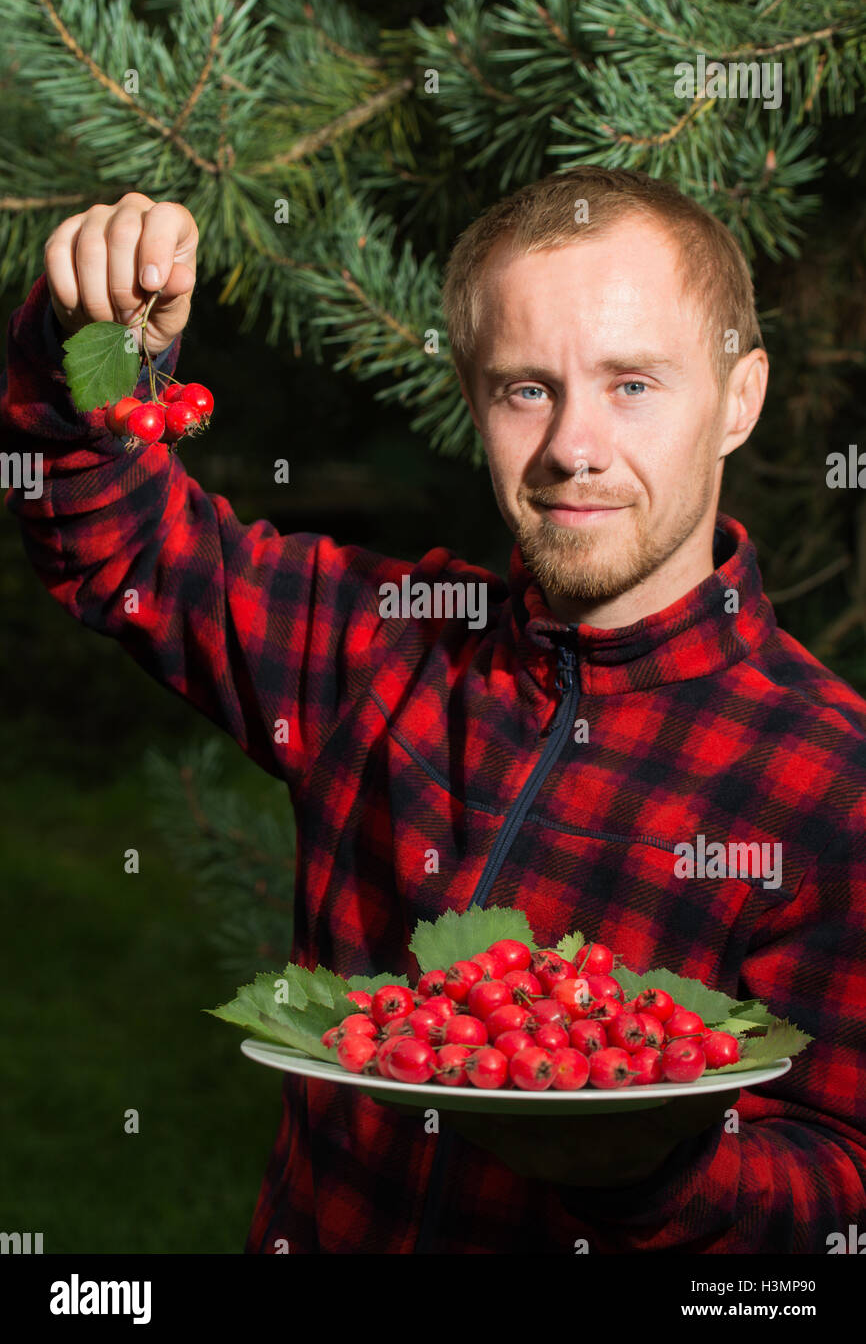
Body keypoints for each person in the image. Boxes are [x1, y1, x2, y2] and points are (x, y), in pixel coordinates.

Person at [1, 167, 864, 1254]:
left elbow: (841, 1183)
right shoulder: (387, 643)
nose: (573, 447)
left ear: (737, 398)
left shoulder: (832, 784)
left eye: (631, 384)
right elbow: (110, 537)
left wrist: (652, 1172)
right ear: (473, 399)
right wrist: (98, 337)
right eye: (525, 388)